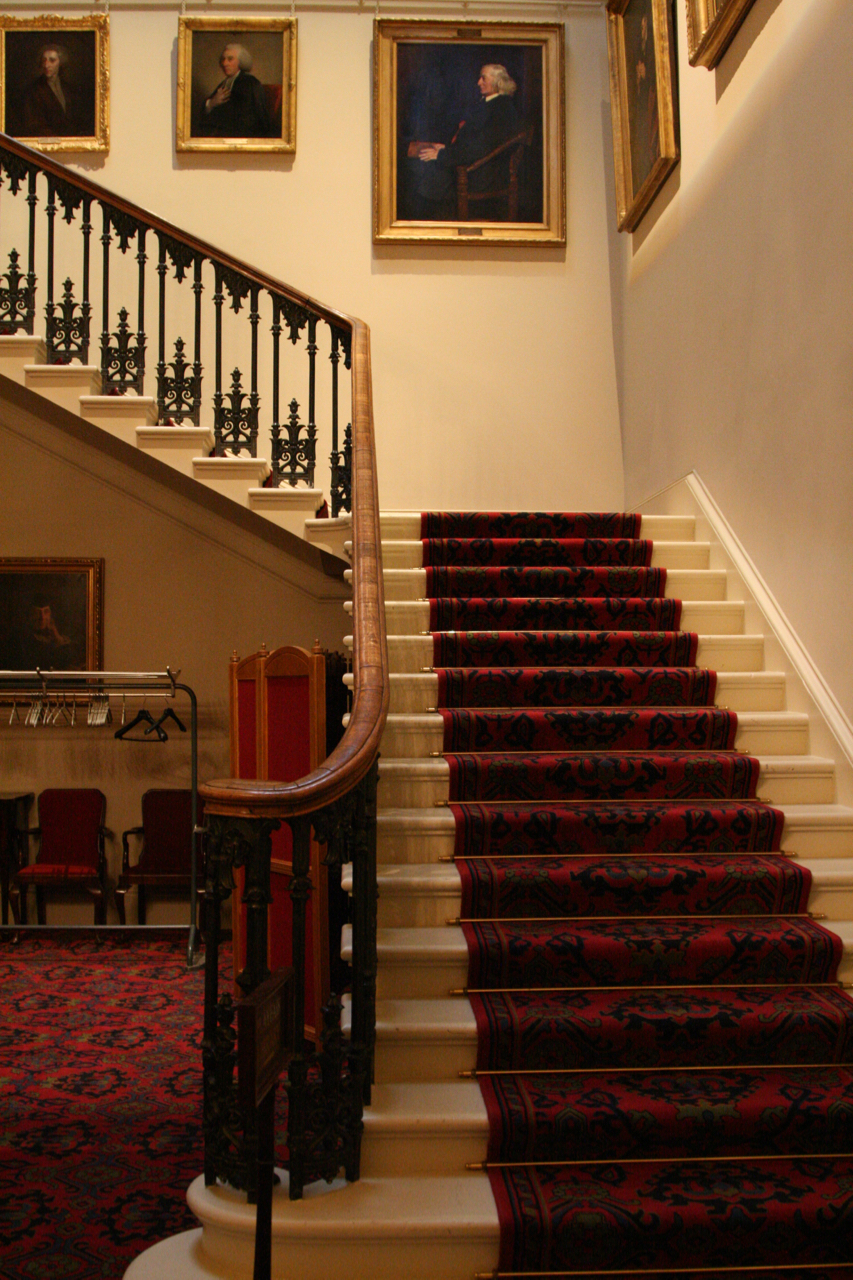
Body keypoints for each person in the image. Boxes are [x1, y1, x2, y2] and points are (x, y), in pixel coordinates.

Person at [401, 64, 520, 221]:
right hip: (471, 162)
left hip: (480, 173)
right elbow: (474, 141)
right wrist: (446, 148)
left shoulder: (501, 108)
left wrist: (442, 155)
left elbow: (481, 147)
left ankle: (417, 224)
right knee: (414, 163)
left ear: (498, 81)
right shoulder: (490, 103)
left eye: (483, 78)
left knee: (421, 171)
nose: (478, 82)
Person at [197, 44, 273, 138]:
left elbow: (256, 119)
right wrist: (212, 103)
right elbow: (205, 113)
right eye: (223, 59)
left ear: (241, 62)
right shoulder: (225, 83)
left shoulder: (250, 83)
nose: (225, 63)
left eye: (230, 59)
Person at [19, 45, 79, 138]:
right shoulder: (33, 90)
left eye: (52, 60)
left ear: (60, 62)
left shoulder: (67, 88)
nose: (46, 65)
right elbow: (33, 126)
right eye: (44, 60)